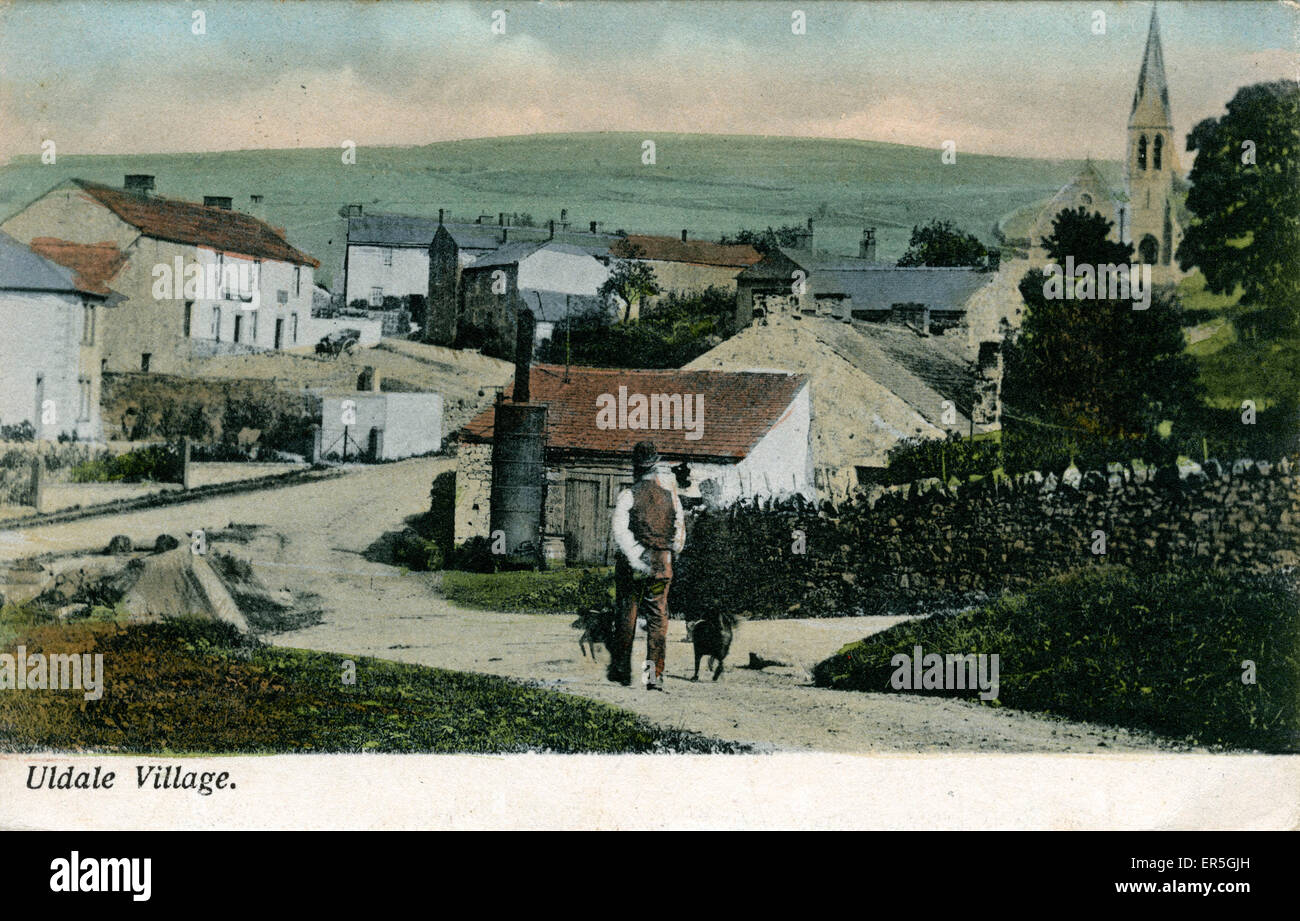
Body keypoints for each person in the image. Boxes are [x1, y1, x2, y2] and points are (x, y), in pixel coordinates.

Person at [608, 440, 685, 690]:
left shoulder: (628, 495)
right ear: (655, 466)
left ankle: (622, 671)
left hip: (635, 570)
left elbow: (619, 532)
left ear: (636, 467)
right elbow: (679, 534)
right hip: (661, 568)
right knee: (657, 618)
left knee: (627, 615)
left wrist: (636, 555)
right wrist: (667, 554)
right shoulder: (670, 497)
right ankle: (653, 677)